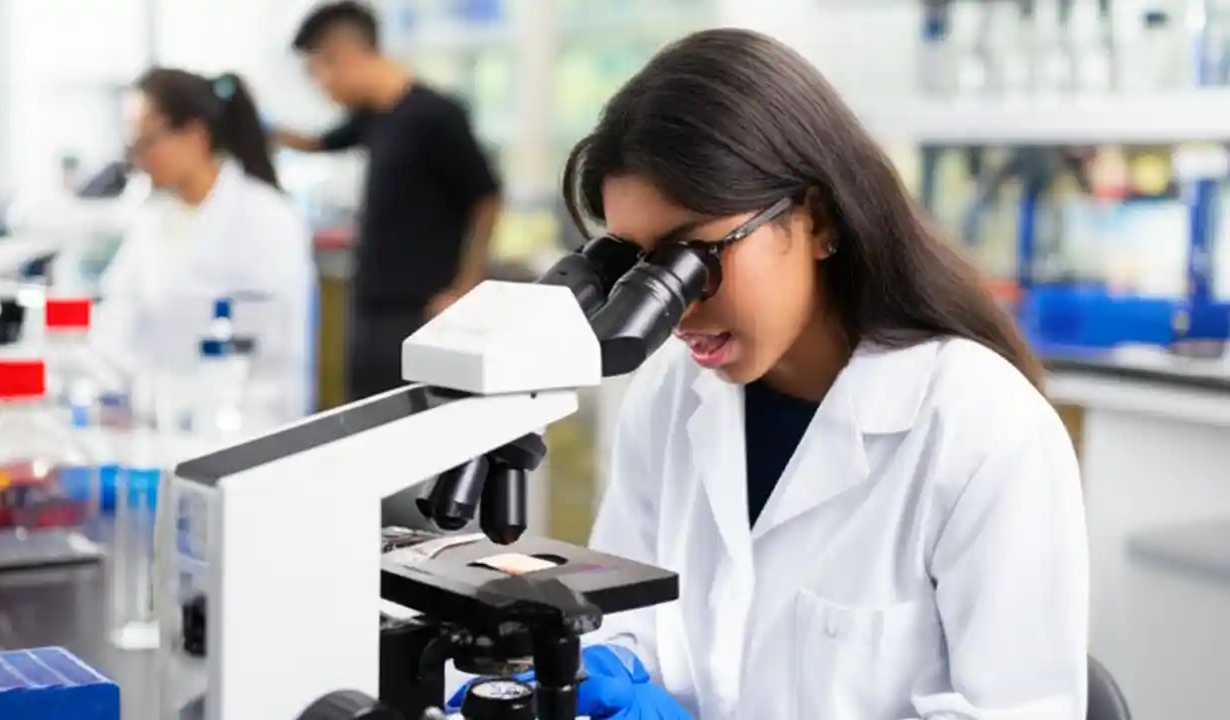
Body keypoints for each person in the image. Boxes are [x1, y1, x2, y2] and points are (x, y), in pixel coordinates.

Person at [457, 29, 1089, 719]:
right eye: (641, 267)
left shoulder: (984, 431)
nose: (674, 307)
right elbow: (632, 626)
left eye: (694, 256)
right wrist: (586, 676)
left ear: (817, 220)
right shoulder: (670, 394)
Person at [279, 1, 501, 400]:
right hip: (370, 309)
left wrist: (465, 287)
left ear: (344, 56)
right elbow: (314, 143)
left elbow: (486, 199)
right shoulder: (372, 119)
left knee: (416, 441)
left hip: (423, 312)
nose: (321, 87)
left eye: (318, 72)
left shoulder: (435, 115)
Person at [94, 68, 317, 425]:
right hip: (156, 433)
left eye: (146, 143)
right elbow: (115, 328)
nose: (139, 161)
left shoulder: (269, 218)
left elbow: (276, 362)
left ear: (195, 135)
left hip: (245, 434)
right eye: (132, 147)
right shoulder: (153, 220)